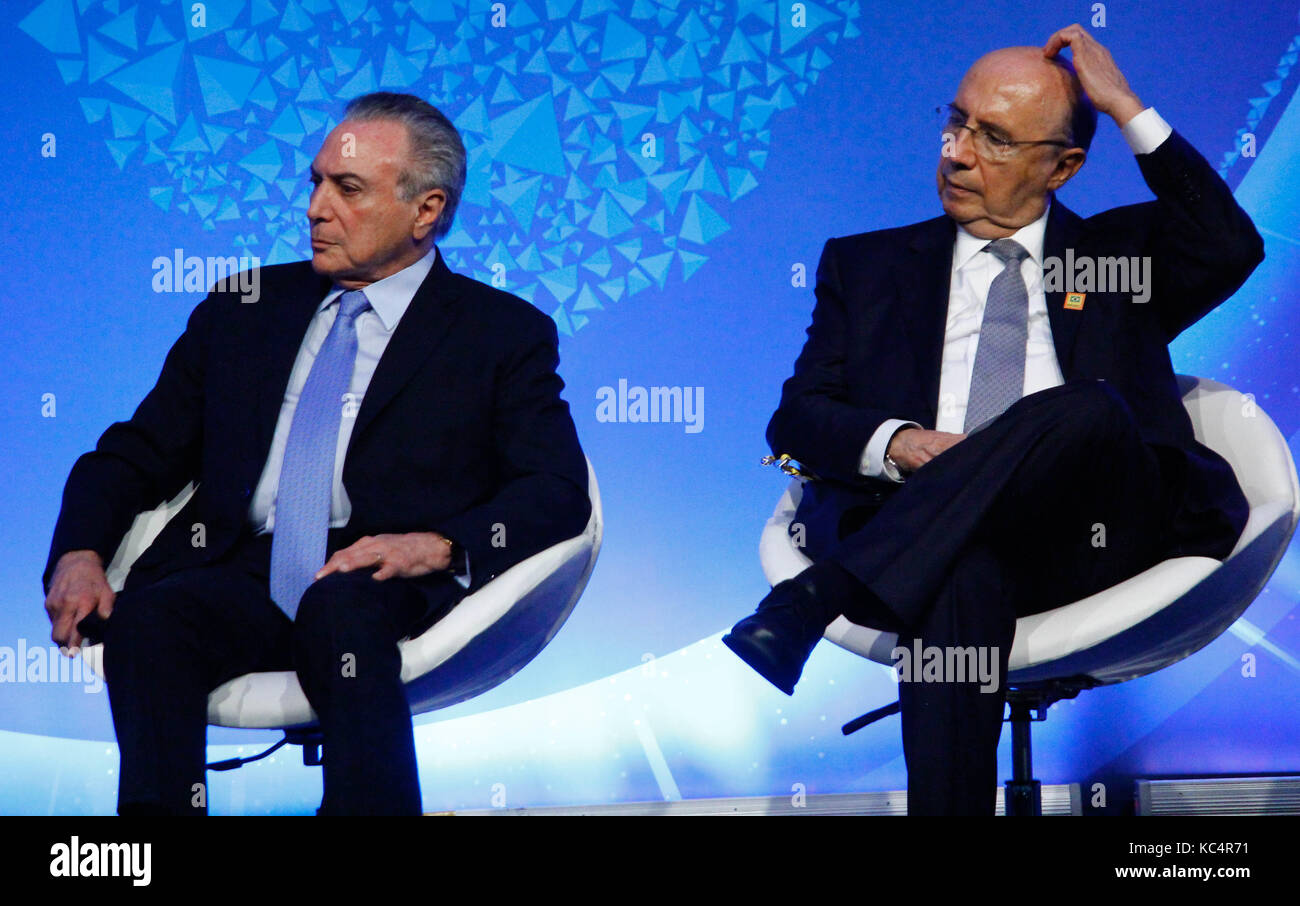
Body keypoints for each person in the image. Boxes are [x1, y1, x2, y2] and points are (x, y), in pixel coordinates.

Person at [723, 25, 1263, 815]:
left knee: (1087, 407)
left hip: (1094, 538)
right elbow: (798, 418)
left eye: (997, 140)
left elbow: (1230, 244)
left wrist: (1124, 106)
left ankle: (815, 598)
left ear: (1063, 166)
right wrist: (898, 443)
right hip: (934, 546)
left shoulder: (1119, 257)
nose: (957, 153)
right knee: (962, 566)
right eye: (959, 123)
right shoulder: (868, 266)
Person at [41, 91, 591, 816]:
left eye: (349, 188)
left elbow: (554, 488)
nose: (315, 208)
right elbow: (136, 452)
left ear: (426, 210)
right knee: (152, 619)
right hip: (241, 565)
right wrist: (78, 550)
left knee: (341, 611)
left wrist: (436, 546)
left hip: (382, 576)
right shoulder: (243, 308)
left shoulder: (501, 333)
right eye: (316, 181)